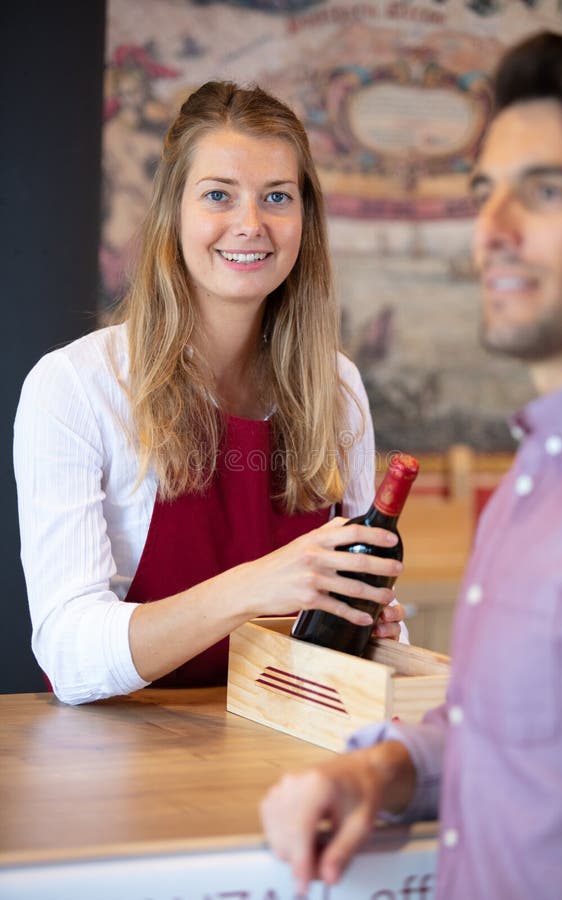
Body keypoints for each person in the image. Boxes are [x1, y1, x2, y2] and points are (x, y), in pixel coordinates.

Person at [260, 31, 562, 900]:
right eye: (484, 193)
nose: (492, 231)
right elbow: (503, 743)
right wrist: (373, 776)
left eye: (547, 191)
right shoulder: (534, 482)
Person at [13, 81, 405, 706]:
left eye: (277, 196)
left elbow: (341, 618)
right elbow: (67, 654)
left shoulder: (338, 387)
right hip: (118, 762)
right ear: (173, 211)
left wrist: (370, 628)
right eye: (219, 195)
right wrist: (253, 588)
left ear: (306, 217)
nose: (250, 224)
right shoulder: (74, 387)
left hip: (279, 746)